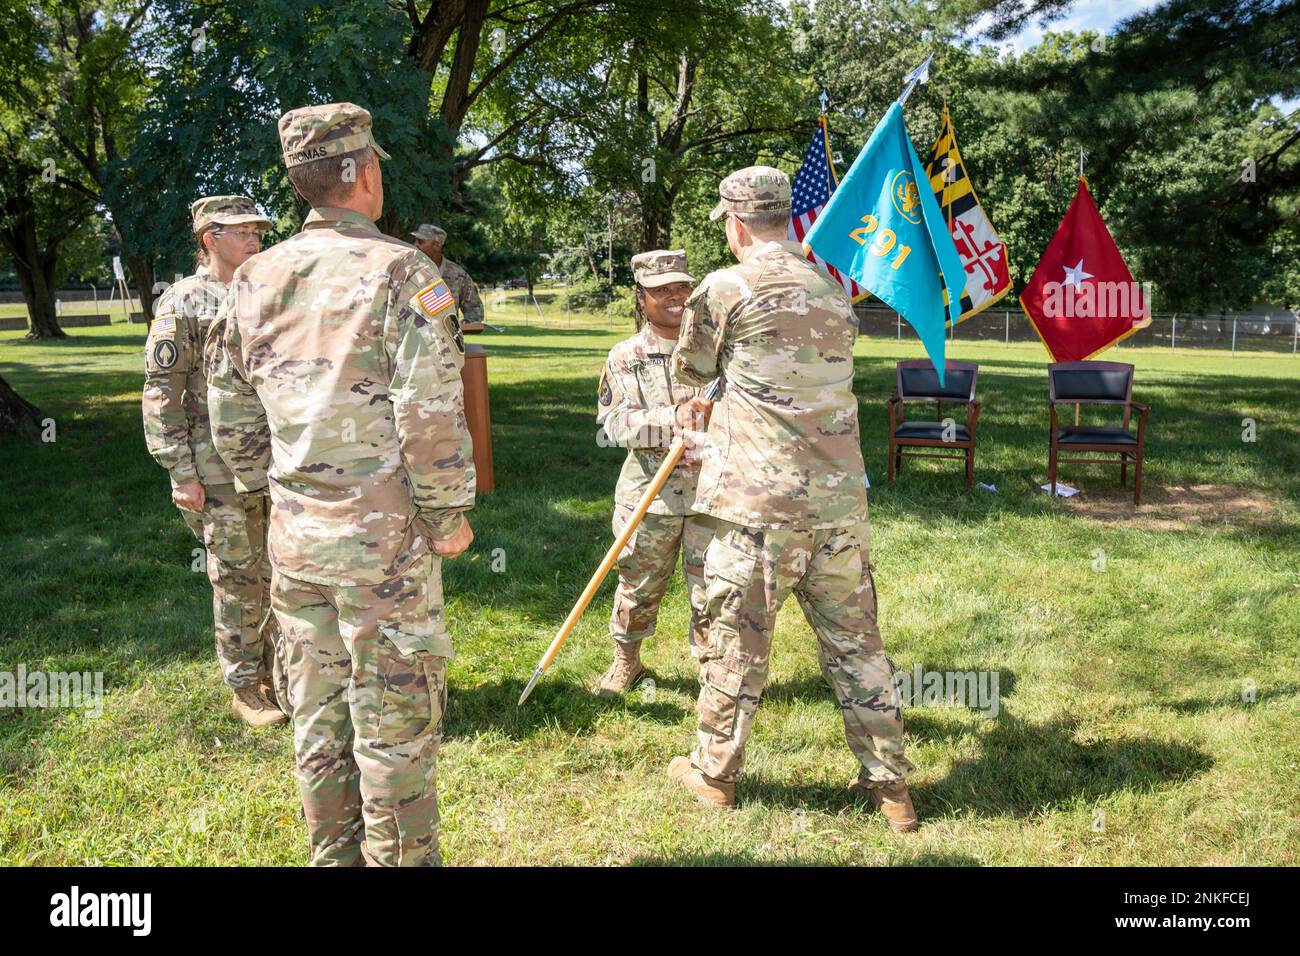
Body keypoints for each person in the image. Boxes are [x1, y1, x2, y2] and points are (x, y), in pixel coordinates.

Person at [206, 103, 476, 866]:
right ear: (357, 172)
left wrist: (273, 487)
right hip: (383, 547)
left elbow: (230, 412)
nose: (382, 177)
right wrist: (449, 512)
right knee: (394, 725)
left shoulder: (255, 275)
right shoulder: (401, 270)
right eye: (379, 165)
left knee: (318, 718)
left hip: (296, 540)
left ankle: (335, 858)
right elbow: (428, 410)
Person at [666, 166, 918, 832]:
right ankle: (891, 790)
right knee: (858, 649)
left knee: (736, 648)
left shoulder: (724, 288)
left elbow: (688, 379)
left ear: (734, 223)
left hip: (757, 511)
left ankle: (715, 775)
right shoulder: (833, 291)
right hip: (837, 509)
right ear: (785, 219)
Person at [142, 195, 284, 728]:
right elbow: (161, 390)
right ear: (209, 238)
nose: (254, 240)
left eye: (258, 231)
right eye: (241, 231)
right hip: (216, 467)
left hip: (275, 458)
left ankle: (283, 673)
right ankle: (246, 686)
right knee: (237, 577)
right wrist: (180, 470)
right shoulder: (183, 301)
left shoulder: (265, 291)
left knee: (282, 571)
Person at [593, 250, 714, 696]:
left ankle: (712, 671)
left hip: (710, 492)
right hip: (650, 493)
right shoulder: (626, 357)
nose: (675, 297)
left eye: (682, 287)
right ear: (641, 296)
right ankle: (627, 663)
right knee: (639, 583)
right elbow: (614, 424)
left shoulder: (715, 349)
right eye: (661, 290)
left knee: (714, 588)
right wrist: (673, 419)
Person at [411, 224, 485, 331]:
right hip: (412, 340)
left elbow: (475, 308)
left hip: (446, 343)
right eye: (415, 240)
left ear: (437, 246)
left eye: (420, 241)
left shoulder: (457, 275)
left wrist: (467, 322)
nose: (415, 245)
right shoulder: (407, 270)